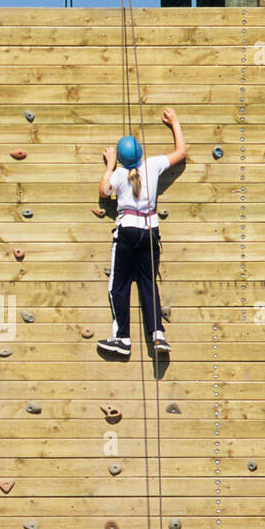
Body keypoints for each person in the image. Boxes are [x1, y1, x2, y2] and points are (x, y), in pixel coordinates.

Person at [96, 107, 186, 358]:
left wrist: (110, 164)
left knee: (119, 285)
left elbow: (104, 191)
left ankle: (122, 338)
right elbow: (181, 152)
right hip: (150, 231)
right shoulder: (154, 165)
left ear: (123, 160)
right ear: (141, 153)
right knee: (148, 284)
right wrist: (174, 122)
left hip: (126, 232)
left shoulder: (120, 175)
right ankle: (158, 335)